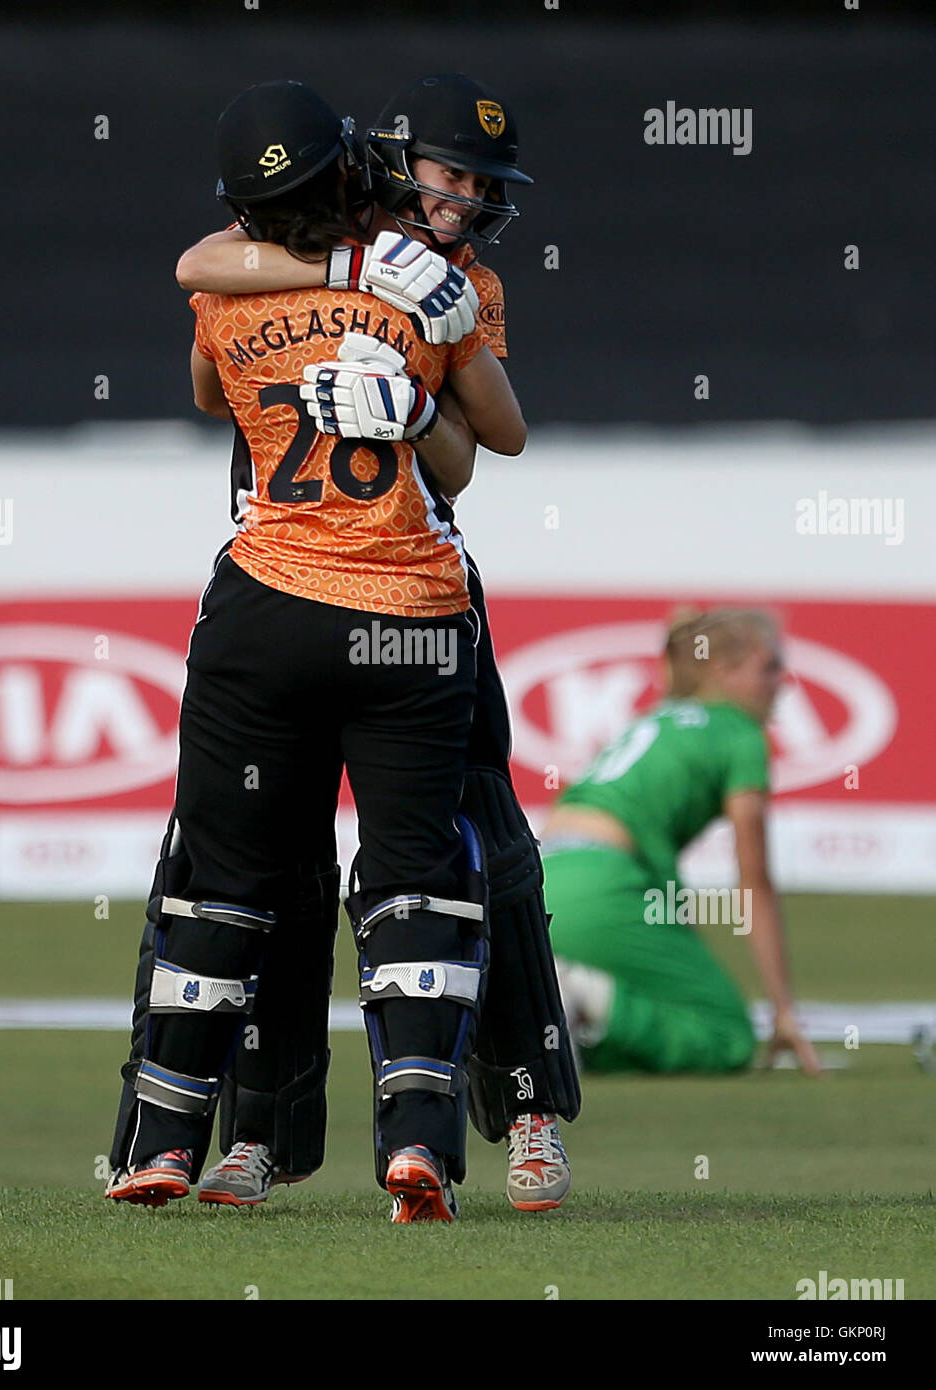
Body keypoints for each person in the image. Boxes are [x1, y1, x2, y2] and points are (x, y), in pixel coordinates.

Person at [174, 73, 580, 1213]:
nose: (471, 204)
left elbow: (469, 460)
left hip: (418, 595)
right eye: (457, 178)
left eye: (487, 187)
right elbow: (199, 265)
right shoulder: (304, 238)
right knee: (271, 869)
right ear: (400, 162)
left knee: (475, 855)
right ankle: (256, 1133)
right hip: (284, 588)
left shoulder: (464, 286)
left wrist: (409, 403)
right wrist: (356, 271)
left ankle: (529, 1112)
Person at [106, 79, 497, 1224]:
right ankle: (417, 1141)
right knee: (418, 874)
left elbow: (202, 388)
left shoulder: (227, 288)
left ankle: (168, 1139)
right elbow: (493, 443)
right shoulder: (435, 287)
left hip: (266, 610)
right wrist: (414, 375)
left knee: (222, 880)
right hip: (413, 619)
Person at [542, 608, 823, 1077]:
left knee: (661, 1001)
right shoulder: (740, 733)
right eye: (768, 667)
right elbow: (754, 881)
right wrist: (783, 1010)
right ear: (724, 671)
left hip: (543, 876)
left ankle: (553, 1023)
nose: (783, 681)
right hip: (606, 885)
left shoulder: (654, 720)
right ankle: (585, 1003)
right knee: (727, 1036)